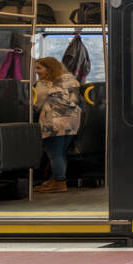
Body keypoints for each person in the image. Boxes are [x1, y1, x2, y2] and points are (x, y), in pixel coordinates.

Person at [33, 56, 82, 194]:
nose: (36, 71)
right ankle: (55, 179)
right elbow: (76, 99)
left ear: (49, 68)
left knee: (54, 153)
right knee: (61, 153)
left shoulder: (44, 83)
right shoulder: (70, 80)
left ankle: (59, 182)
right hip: (73, 120)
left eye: (39, 68)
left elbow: (37, 103)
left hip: (53, 121)